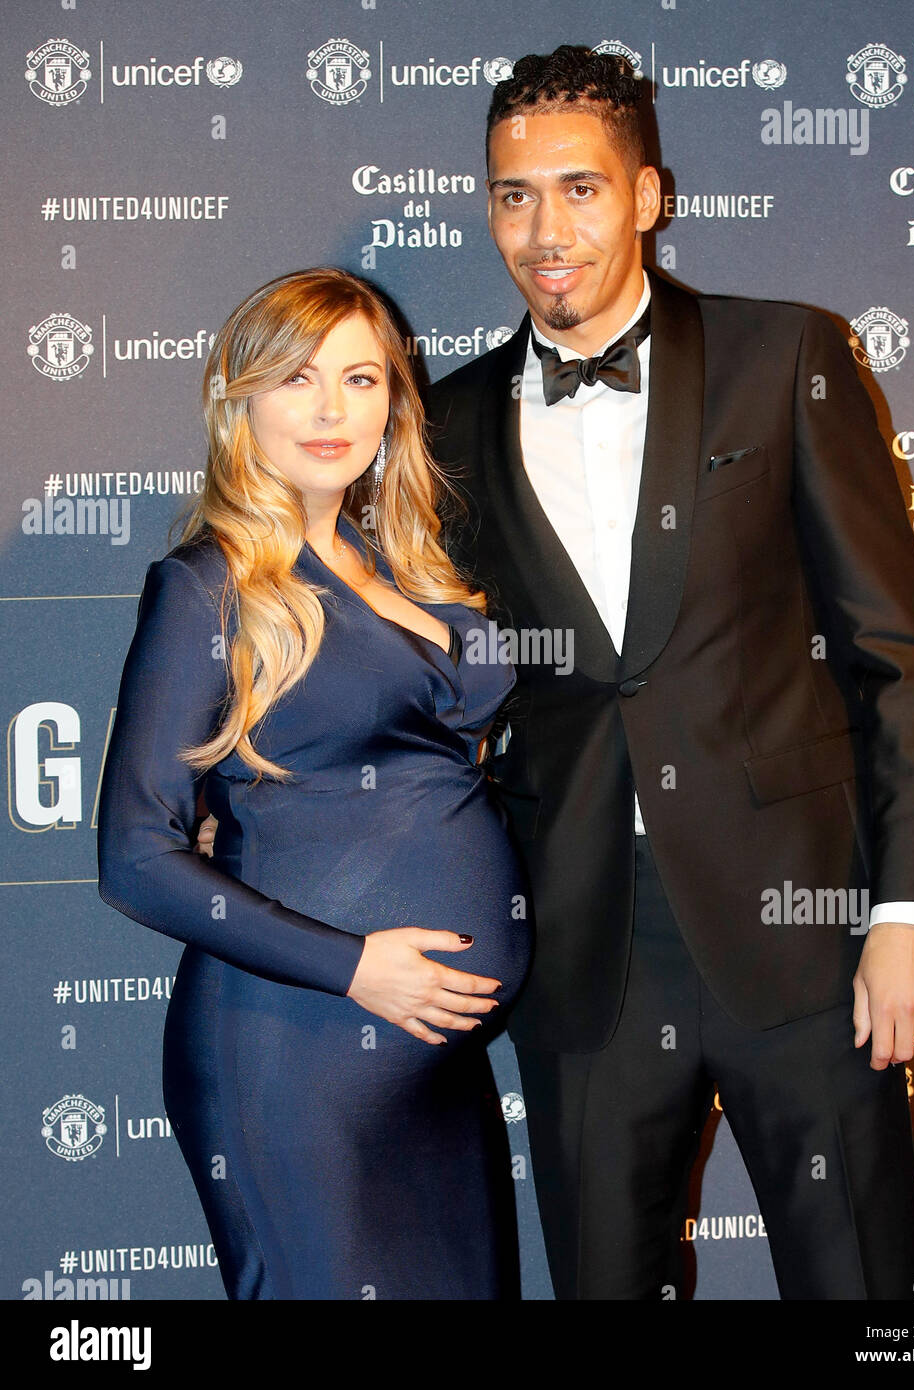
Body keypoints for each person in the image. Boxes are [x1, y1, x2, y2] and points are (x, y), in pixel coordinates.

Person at [424, 46, 914, 1300]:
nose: (543, 229)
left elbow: (894, 657)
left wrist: (903, 915)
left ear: (648, 196)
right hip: (579, 958)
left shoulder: (785, 359)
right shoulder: (442, 425)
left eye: (578, 189)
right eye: (512, 194)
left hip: (804, 946)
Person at [97, 268, 531, 1301]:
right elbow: (132, 856)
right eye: (296, 378)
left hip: (429, 1069)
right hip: (297, 1056)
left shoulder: (399, 564)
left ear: (395, 401)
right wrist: (352, 967)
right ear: (239, 398)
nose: (332, 408)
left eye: (360, 377)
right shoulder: (208, 582)